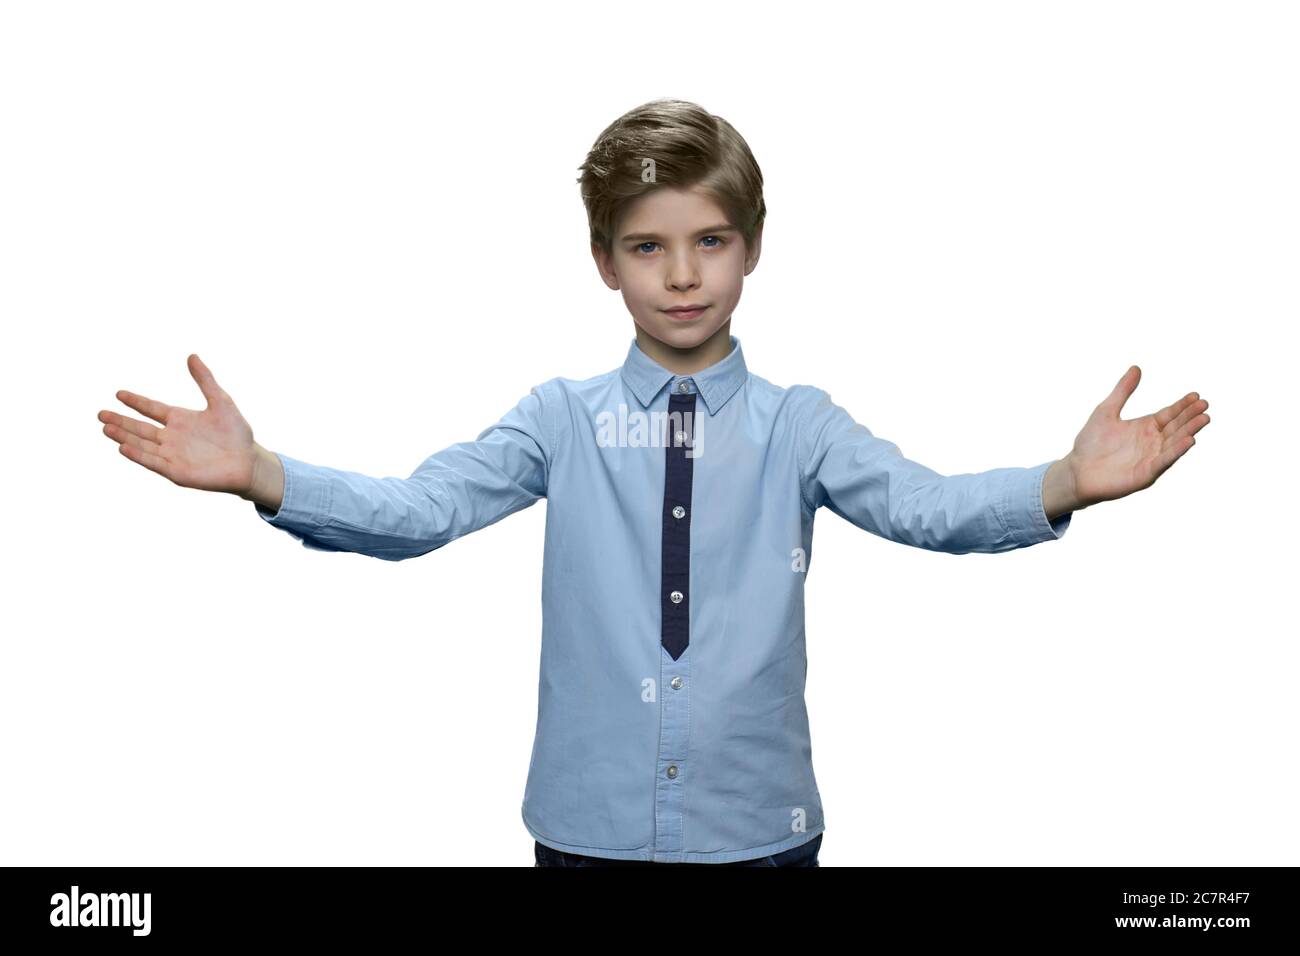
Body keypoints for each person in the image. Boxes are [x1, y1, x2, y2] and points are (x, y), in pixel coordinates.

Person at [97, 98, 1211, 866]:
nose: (682, 274)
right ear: (602, 259)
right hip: (584, 830)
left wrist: (1063, 481)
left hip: (759, 835)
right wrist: (262, 473)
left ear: (753, 246)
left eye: (710, 239)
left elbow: (925, 507)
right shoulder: (557, 419)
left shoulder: (799, 425)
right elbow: (419, 510)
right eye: (646, 245)